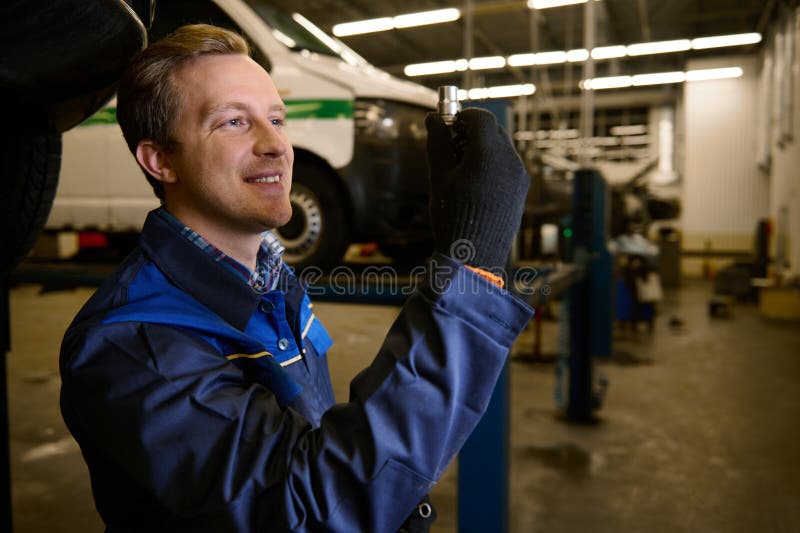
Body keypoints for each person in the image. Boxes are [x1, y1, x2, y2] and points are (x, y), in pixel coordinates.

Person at [59, 24, 532, 532]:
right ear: (160, 160)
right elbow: (303, 510)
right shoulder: (131, 346)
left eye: (277, 118)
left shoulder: (272, 284)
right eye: (235, 122)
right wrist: (470, 271)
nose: (277, 145)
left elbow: (313, 445)